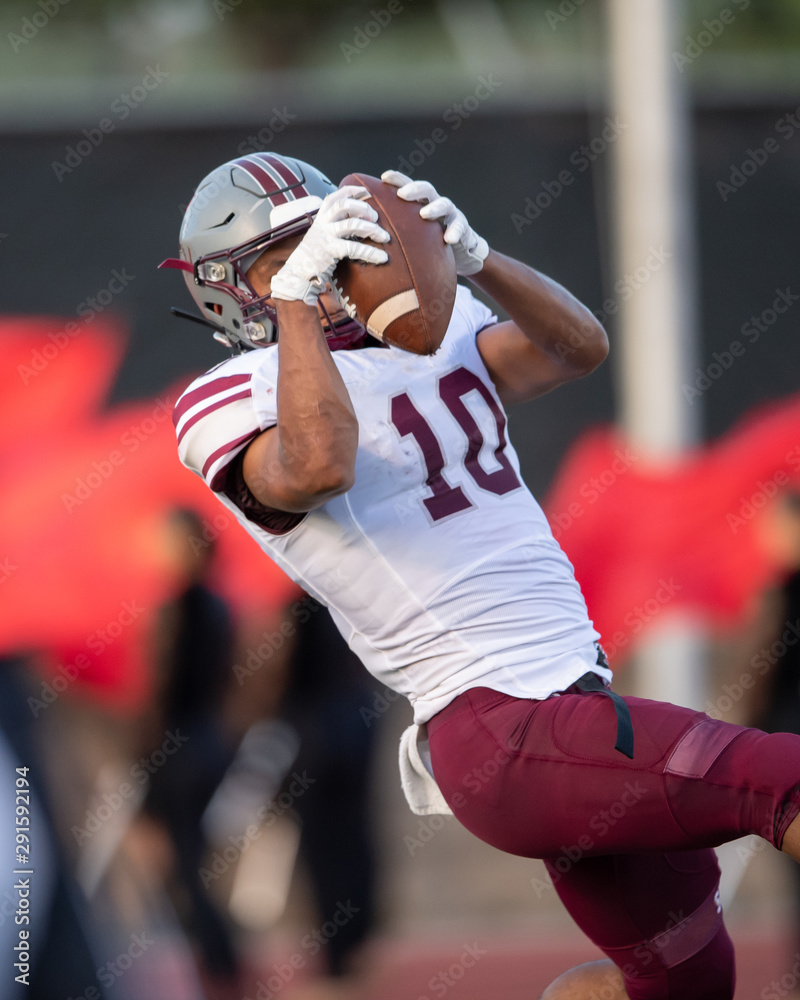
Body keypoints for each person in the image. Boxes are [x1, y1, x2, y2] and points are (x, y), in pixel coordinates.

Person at [162, 151, 800, 1000]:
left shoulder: (442, 326)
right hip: (500, 725)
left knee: (686, 984)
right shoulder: (230, 392)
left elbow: (576, 350)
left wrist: (481, 259)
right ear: (226, 289)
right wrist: (294, 310)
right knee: (780, 776)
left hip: (577, 701)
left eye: (323, 244)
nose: (316, 274)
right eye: (283, 261)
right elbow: (318, 466)